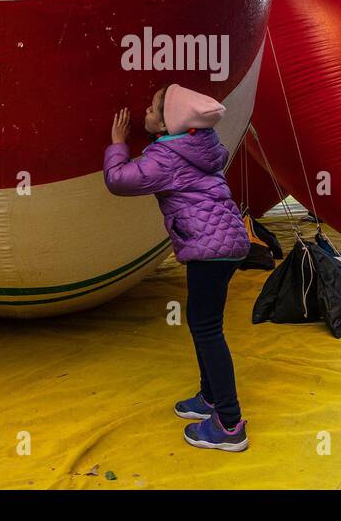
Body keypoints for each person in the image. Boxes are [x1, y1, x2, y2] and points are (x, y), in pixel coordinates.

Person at [105, 84, 251, 452]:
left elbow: (118, 181)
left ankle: (230, 425)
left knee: (207, 330)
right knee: (204, 324)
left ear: (168, 123)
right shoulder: (198, 148)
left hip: (208, 250)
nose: (147, 114)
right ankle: (210, 398)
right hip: (223, 245)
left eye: (153, 111)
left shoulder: (168, 156)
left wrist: (117, 143)